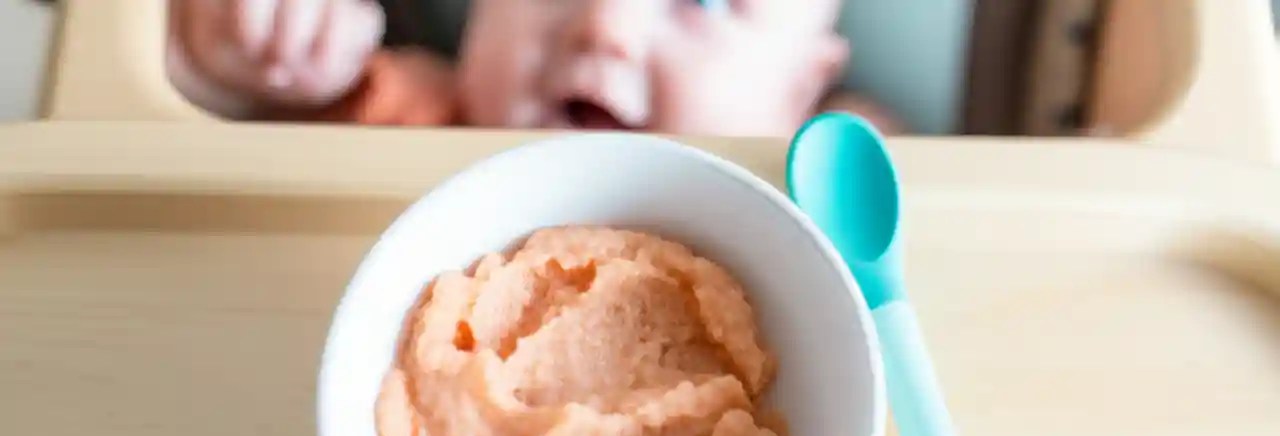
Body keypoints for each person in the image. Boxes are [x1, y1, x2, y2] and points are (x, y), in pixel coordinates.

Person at [166, 0, 901, 136]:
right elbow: (185, 134)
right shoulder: (399, 109)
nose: (605, 27)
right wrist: (223, 59)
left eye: (703, 2)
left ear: (801, 86)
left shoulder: (813, 185)